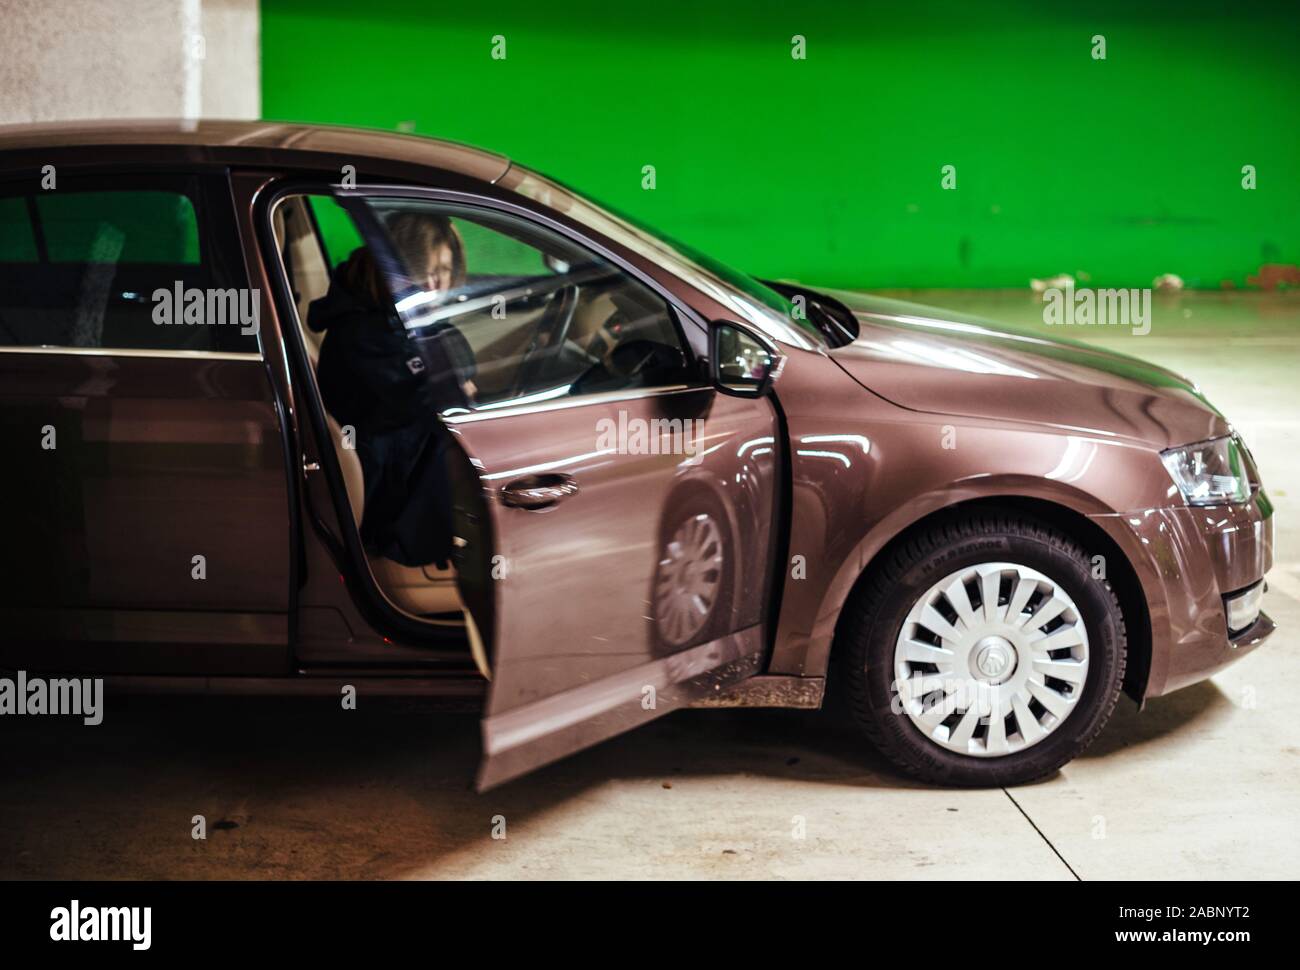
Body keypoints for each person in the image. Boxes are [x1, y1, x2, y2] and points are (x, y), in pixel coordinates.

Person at [307, 213, 475, 569]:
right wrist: (459, 390)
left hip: (390, 470)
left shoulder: (395, 320)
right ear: (395, 267)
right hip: (383, 491)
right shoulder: (363, 330)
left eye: (444, 268)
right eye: (425, 268)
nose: (437, 281)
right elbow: (417, 401)